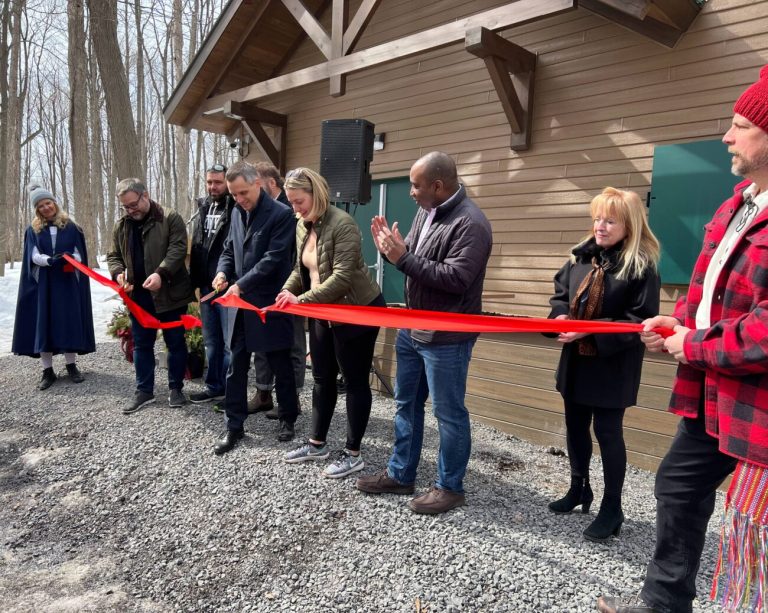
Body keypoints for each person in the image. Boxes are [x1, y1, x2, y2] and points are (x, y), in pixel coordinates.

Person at [598, 66, 768, 613]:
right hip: (715, 391)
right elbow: (707, 287)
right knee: (677, 486)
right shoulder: (735, 204)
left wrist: (691, 345)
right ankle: (665, 602)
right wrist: (676, 324)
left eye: (741, 125)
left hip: (757, 399)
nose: (726, 136)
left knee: (755, 527)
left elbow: (764, 332)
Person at [356, 151, 492, 514]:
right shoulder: (427, 211)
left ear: (437, 185)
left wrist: (403, 258)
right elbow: (415, 261)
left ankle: (450, 486)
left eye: (415, 185)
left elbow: (456, 279)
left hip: (447, 337)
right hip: (412, 327)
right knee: (406, 404)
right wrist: (391, 252)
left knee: (448, 414)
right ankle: (401, 474)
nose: (411, 192)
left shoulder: (471, 224)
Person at [546, 187, 660, 542]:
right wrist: (562, 318)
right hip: (577, 362)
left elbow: (638, 320)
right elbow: (559, 296)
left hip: (613, 365)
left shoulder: (641, 267)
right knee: (576, 427)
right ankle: (579, 487)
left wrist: (589, 333)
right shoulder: (581, 259)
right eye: (597, 218)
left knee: (608, 434)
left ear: (630, 225)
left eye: (610, 220)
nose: (601, 225)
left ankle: (613, 508)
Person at [275, 167, 385, 478]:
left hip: (357, 311)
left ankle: (353, 453)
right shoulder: (302, 225)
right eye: (291, 202)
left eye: (299, 202)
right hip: (323, 310)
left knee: (354, 381)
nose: (295, 209)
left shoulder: (344, 224)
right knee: (322, 378)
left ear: (317, 195)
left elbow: (342, 278)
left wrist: (301, 301)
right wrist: (286, 291)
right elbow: (303, 270)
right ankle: (317, 443)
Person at [211, 161, 299, 454]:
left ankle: (288, 417)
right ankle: (233, 425)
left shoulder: (282, 214)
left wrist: (242, 284)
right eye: (234, 194)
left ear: (258, 185)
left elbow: (273, 259)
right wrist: (223, 272)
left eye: (243, 193)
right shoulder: (236, 212)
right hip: (238, 304)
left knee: (279, 361)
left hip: (268, 302)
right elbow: (228, 249)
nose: (239, 199)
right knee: (235, 366)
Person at [107, 178, 195, 414]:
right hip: (138, 297)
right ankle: (144, 390)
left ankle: (176, 388)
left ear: (145, 195)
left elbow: (177, 249)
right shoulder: (122, 225)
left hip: (170, 293)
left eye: (133, 204)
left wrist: (161, 274)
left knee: (175, 343)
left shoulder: (169, 217)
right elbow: (113, 255)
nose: (130, 210)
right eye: (125, 207)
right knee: (141, 344)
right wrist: (118, 275)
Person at [12, 183, 95, 389]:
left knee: (67, 321)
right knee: (45, 322)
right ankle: (47, 371)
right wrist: (49, 261)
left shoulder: (71, 226)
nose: (45, 207)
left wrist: (67, 259)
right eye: (40, 205)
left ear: (54, 203)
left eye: (48, 203)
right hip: (45, 284)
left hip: (66, 282)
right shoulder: (33, 229)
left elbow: (78, 254)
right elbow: (33, 256)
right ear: (37, 209)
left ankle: (71, 365)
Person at [248, 161, 307, 419]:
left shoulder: (290, 211)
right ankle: (263, 394)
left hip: (289, 291)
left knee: (291, 346)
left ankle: (291, 397)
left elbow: (296, 256)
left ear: (270, 183)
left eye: (257, 184)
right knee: (261, 345)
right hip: (262, 290)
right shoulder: (256, 211)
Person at [188, 164, 235, 405]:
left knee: (229, 344)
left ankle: (230, 390)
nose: (212, 187)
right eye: (209, 182)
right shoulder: (204, 207)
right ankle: (214, 386)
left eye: (217, 182)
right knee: (211, 342)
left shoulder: (235, 207)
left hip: (228, 288)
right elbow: (198, 245)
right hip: (207, 287)